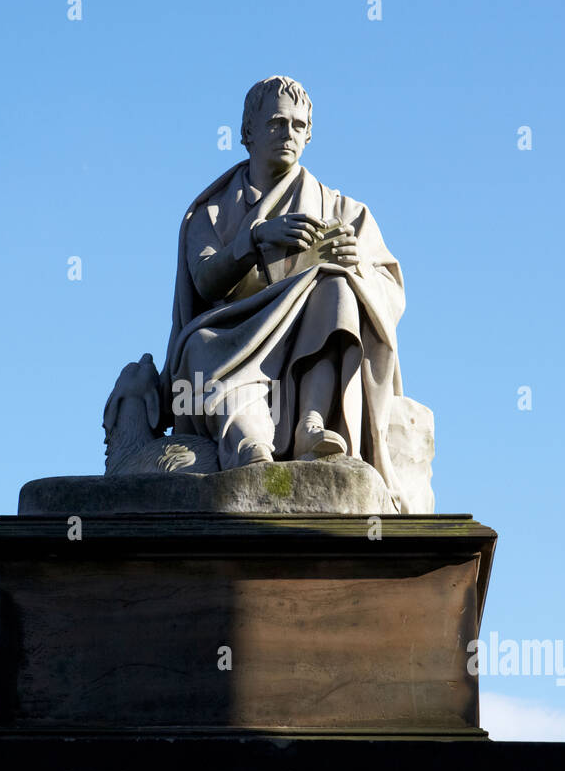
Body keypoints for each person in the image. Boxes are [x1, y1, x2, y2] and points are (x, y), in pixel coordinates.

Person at [160, 75, 407, 504]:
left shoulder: (344, 209)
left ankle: (312, 422)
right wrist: (253, 240)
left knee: (336, 287)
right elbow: (203, 279)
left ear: (309, 133)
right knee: (198, 345)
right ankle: (248, 447)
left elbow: (391, 290)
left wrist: (360, 267)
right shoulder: (211, 210)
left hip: (305, 337)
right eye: (276, 123)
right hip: (231, 334)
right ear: (248, 131)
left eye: (297, 125)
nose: (287, 134)